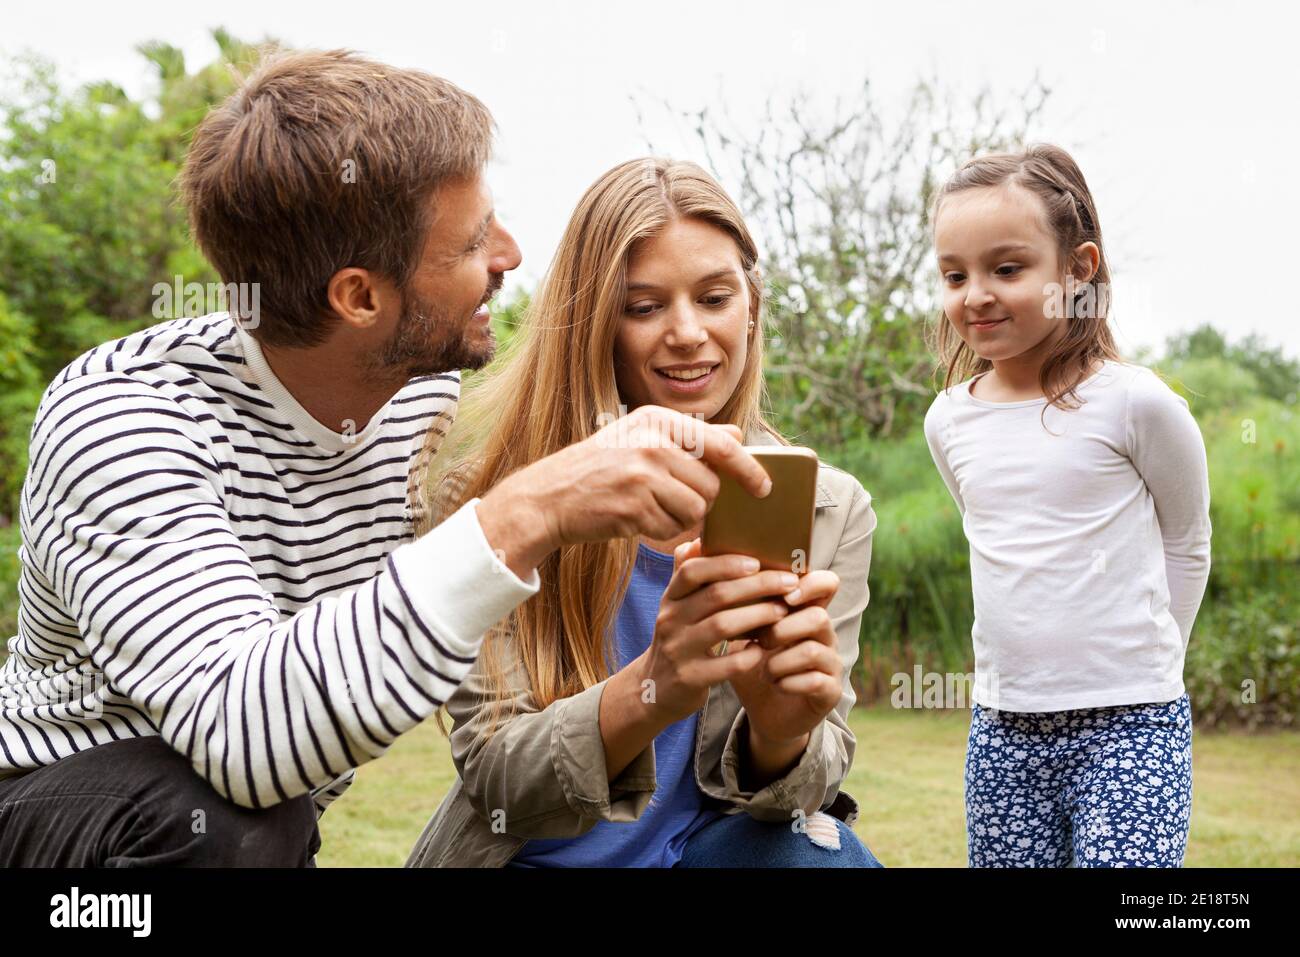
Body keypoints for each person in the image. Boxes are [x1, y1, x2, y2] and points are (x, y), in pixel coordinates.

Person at [0, 52, 773, 867]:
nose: (510, 255)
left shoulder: (425, 404)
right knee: (226, 815)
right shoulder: (125, 420)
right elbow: (242, 735)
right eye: (475, 241)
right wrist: (524, 513)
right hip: (50, 816)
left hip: (250, 828)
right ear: (361, 297)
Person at [406, 158, 882, 868]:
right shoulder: (500, 504)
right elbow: (499, 777)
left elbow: (809, 781)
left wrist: (779, 735)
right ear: (595, 323)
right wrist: (658, 682)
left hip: (708, 852)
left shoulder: (827, 506)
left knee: (824, 855)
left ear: (750, 304)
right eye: (644, 306)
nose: (688, 332)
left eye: (714, 297)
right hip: (534, 857)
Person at [922, 144, 1212, 867]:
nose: (975, 294)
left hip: (1131, 725)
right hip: (1003, 731)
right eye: (955, 275)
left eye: (1007, 268)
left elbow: (1188, 542)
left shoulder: (1137, 402)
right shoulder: (948, 420)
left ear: (1077, 270)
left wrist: (1151, 665)